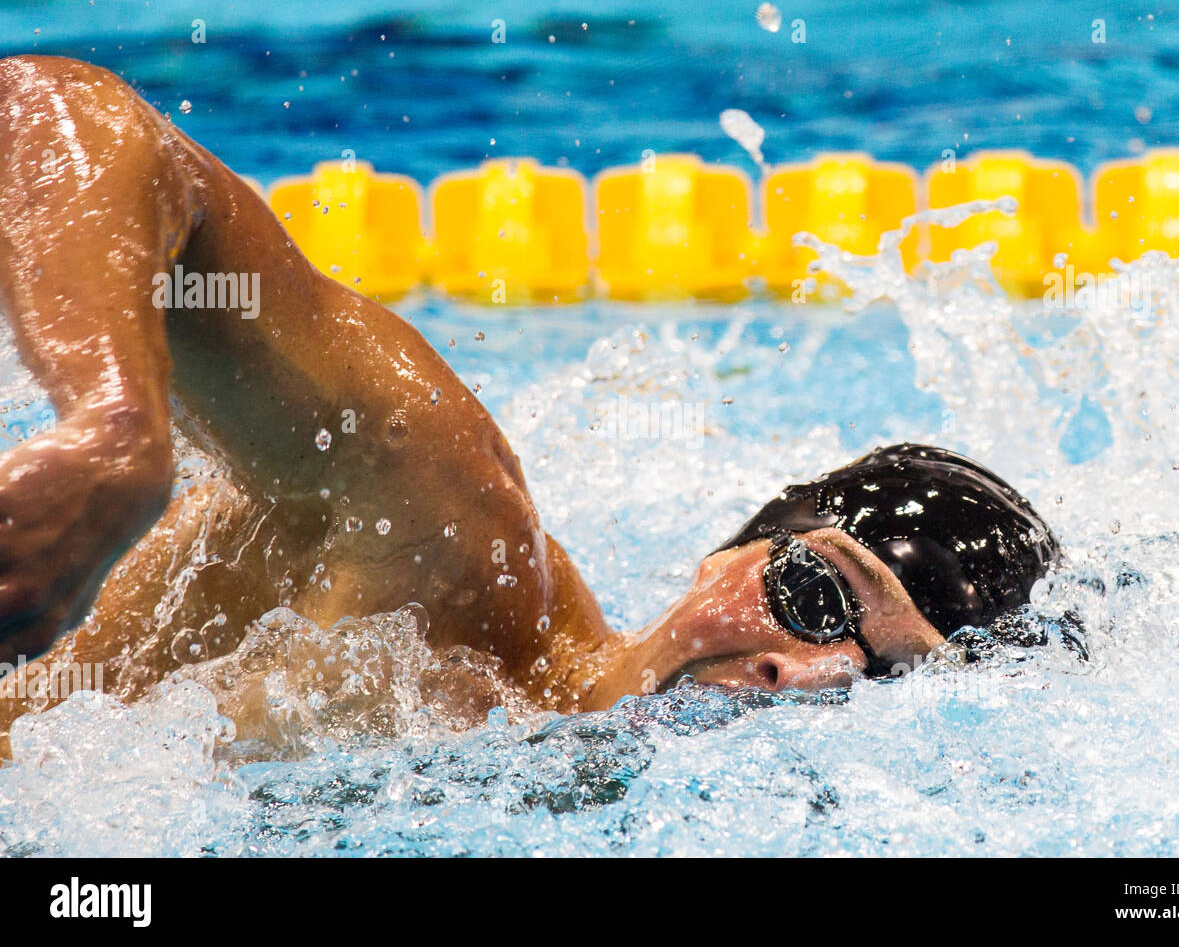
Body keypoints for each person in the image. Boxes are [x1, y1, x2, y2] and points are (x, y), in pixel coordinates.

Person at [0, 56, 1060, 755]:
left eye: (879, 680)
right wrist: (112, 423)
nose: (803, 672)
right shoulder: (448, 540)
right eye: (817, 594)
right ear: (736, 550)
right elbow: (58, 111)